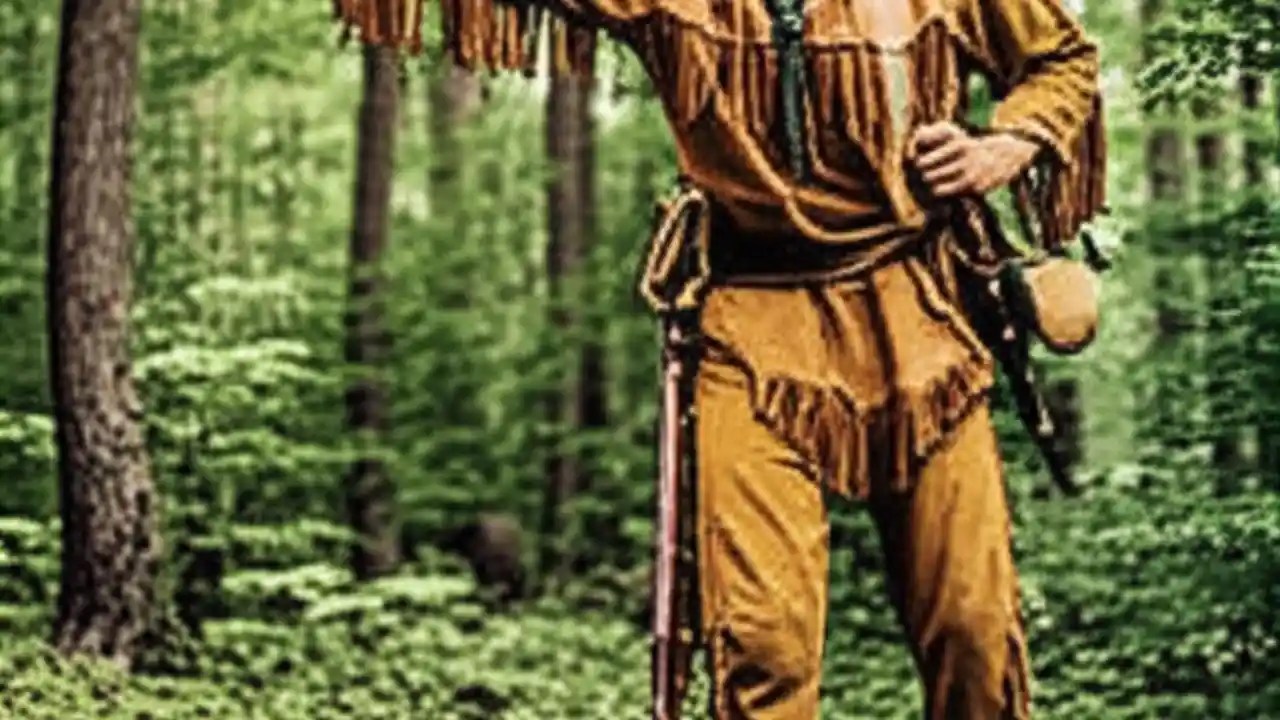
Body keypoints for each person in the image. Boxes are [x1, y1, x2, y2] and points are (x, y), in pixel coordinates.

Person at [335, 0, 1106, 717]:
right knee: (763, 642)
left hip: (923, 322)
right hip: (753, 331)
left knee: (974, 629)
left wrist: (1003, 147)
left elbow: (1062, 63)